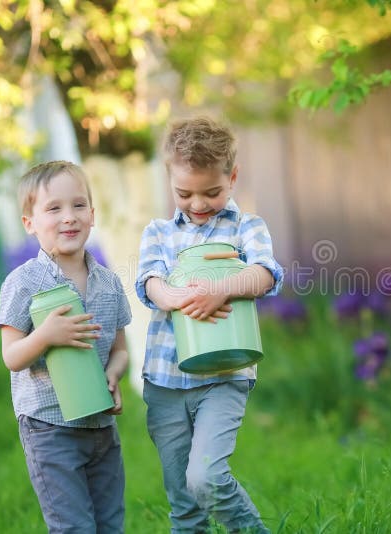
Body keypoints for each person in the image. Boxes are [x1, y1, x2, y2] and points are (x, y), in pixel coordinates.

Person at [136, 116, 283, 533]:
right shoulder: (159, 233)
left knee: (206, 478)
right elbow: (151, 284)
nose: (198, 204)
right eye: (184, 193)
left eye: (212, 192)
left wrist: (221, 288)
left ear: (232, 177)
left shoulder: (246, 227)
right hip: (166, 382)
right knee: (184, 501)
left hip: (225, 374)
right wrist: (179, 298)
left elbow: (265, 274)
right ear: (169, 181)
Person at [0, 161, 131, 533]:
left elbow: (120, 348)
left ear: (92, 214)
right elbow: (12, 356)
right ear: (30, 223)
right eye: (54, 208)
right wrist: (44, 336)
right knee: (74, 526)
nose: (69, 217)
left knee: (109, 523)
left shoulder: (109, 282)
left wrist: (114, 374)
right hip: (49, 426)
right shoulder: (24, 282)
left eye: (78, 205)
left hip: (102, 426)